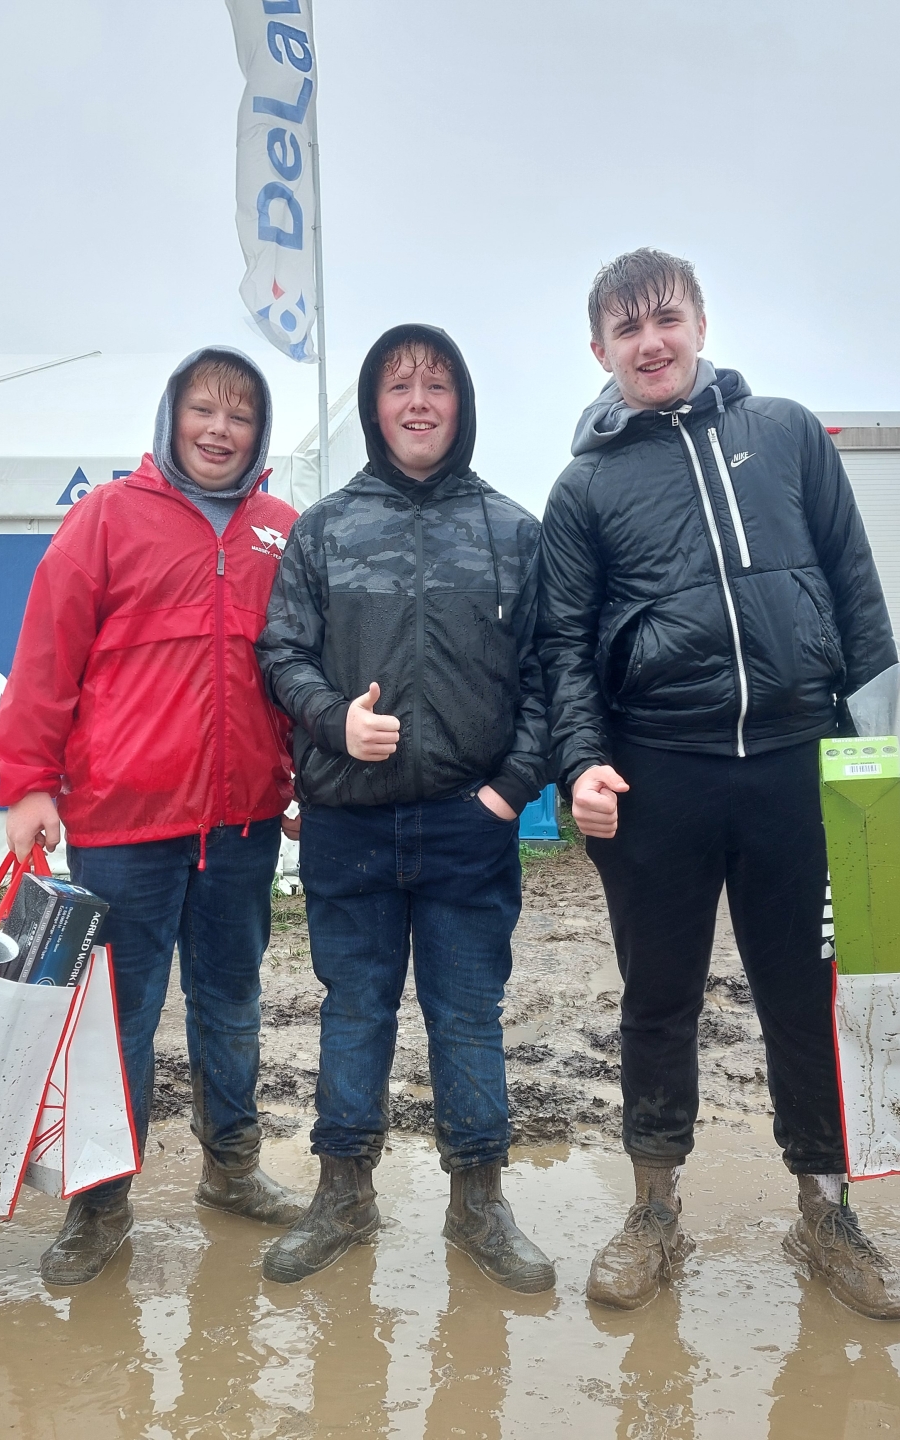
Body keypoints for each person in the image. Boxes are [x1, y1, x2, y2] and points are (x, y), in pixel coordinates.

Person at [536, 249, 900, 1318]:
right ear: (598, 351)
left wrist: (872, 746)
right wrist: (581, 761)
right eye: (625, 328)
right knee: (658, 999)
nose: (649, 342)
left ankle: (827, 1212)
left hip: (800, 766)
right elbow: (565, 647)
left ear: (699, 321)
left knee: (808, 993)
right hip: (661, 775)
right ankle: (654, 1208)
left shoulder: (785, 432)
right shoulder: (586, 488)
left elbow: (854, 584)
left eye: (665, 318)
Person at [0, 348, 307, 1287]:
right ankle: (100, 1202)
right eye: (203, 409)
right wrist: (28, 782)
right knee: (116, 1019)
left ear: (260, 433)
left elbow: (297, 674)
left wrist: (300, 776)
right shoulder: (106, 520)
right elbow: (48, 657)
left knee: (232, 1002)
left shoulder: (283, 532)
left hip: (243, 824)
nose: (219, 429)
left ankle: (233, 1169)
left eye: (239, 416)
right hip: (126, 827)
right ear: (172, 418)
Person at [256, 325, 554, 1292]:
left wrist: (510, 791)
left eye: (436, 385)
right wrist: (334, 721)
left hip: (471, 826)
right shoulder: (326, 528)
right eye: (397, 385)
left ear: (461, 402)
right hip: (350, 822)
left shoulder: (512, 530)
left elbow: (553, 675)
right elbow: (281, 654)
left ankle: (480, 1204)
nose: (417, 401)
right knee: (355, 1012)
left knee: (468, 1015)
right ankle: (343, 1193)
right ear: (372, 406)